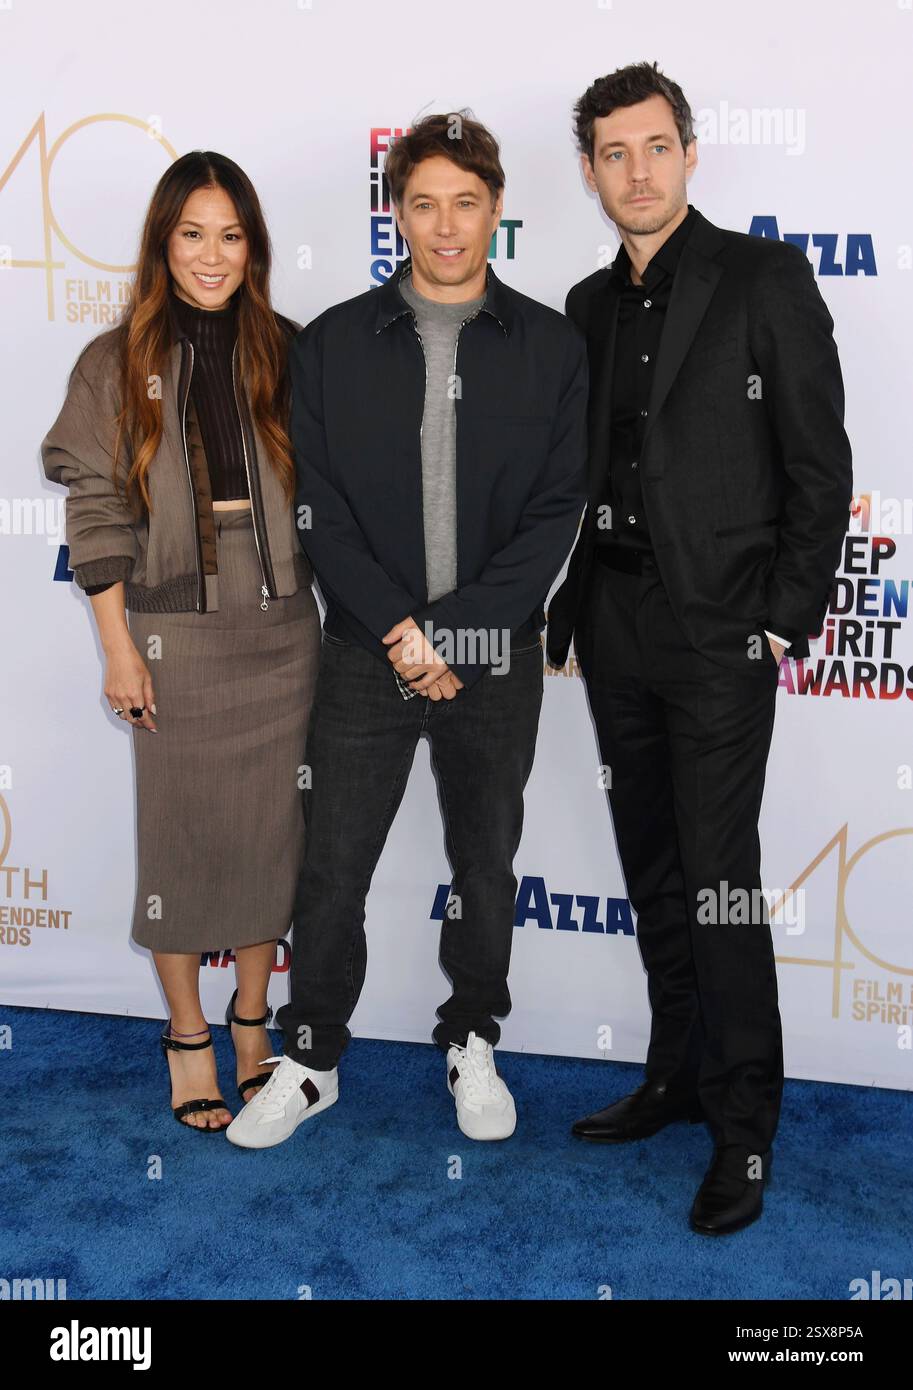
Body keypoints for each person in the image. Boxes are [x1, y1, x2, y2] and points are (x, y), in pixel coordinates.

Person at [226, 111, 587, 1150]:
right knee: (331, 867)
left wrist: (458, 634)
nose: (444, 225)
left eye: (464, 203)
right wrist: (397, 629)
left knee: (484, 863)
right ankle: (313, 1055)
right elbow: (319, 508)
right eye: (422, 204)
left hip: (494, 655)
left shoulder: (551, 346)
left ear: (495, 211)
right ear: (395, 214)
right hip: (364, 652)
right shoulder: (335, 339)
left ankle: (472, 1035)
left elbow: (554, 513)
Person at [547, 62, 852, 1233]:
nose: (636, 169)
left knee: (719, 880)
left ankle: (744, 1126)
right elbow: (586, 477)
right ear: (588, 172)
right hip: (614, 622)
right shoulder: (584, 304)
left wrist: (780, 615)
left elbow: (818, 467)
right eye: (613, 153)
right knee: (654, 866)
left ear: (688, 153)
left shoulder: (762, 276)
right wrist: (569, 597)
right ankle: (675, 1072)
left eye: (654, 146)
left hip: (720, 630)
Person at [41, 151, 321, 1132]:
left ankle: (255, 1023)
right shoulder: (113, 363)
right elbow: (98, 512)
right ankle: (188, 1036)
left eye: (231, 234)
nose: (212, 254)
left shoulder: (288, 348)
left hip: (283, 630)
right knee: (180, 838)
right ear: (164, 243)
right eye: (192, 232)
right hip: (166, 631)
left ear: (255, 247)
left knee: (267, 839)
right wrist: (118, 648)